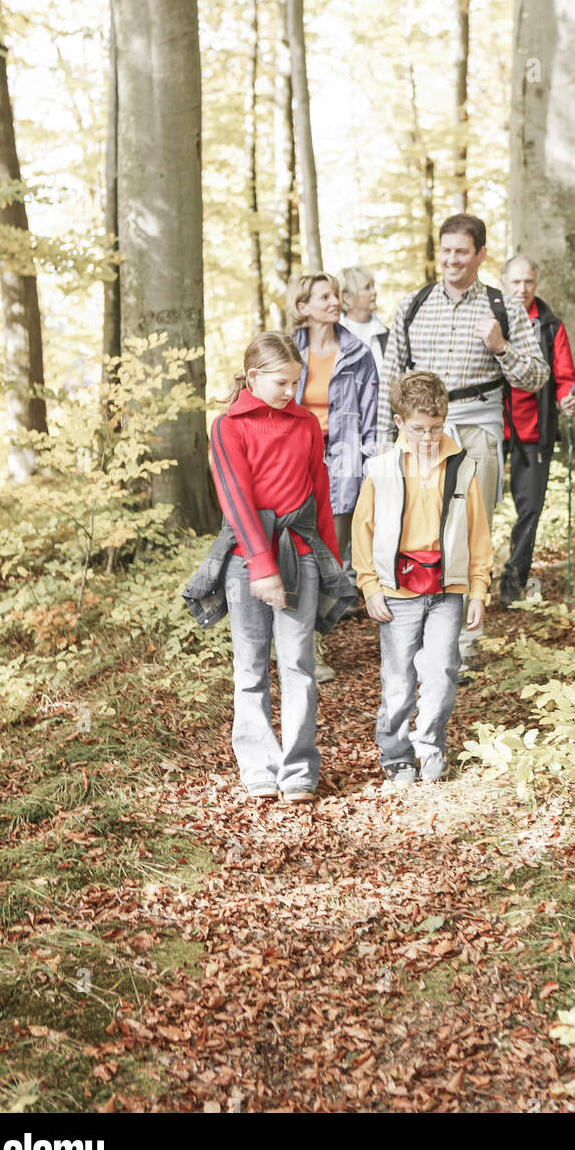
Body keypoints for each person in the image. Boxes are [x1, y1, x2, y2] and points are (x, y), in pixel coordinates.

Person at [182, 332, 354, 803]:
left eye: (296, 384)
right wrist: (261, 567)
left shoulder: (304, 425)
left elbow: (319, 495)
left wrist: (332, 564)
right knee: (251, 666)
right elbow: (236, 500)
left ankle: (298, 768)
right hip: (245, 561)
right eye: (281, 383)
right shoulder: (228, 426)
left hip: (301, 555)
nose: (290, 394)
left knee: (299, 664)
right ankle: (259, 763)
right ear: (253, 377)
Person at [375, 213, 549, 665]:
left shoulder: (501, 307)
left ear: (480, 254)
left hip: (476, 427)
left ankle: (462, 643)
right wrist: (381, 444)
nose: (451, 260)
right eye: (446, 250)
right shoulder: (412, 306)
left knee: (468, 529)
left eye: (461, 251)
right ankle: (416, 633)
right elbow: (390, 377)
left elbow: (536, 378)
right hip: (418, 432)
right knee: (415, 528)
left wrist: (500, 347)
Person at [353, 371, 493, 784]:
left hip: (446, 589)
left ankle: (430, 744)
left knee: (443, 669)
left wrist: (479, 589)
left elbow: (478, 532)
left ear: (444, 420)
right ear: (399, 422)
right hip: (396, 590)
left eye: (435, 428)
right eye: (417, 429)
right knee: (398, 678)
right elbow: (363, 530)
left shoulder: (463, 467)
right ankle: (395, 752)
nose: (427, 437)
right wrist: (369, 586)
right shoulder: (380, 469)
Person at [290, 272, 379, 680]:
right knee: (295, 549)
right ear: (303, 307)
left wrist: (371, 469)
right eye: (324, 296)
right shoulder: (287, 350)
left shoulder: (358, 353)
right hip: (295, 458)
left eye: (336, 295)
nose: (334, 301)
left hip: (343, 461)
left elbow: (372, 421)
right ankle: (299, 643)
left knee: (332, 552)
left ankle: (313, 639)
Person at [499, 255, 575, 605]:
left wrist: (569, 398)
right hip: (492, 428)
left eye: (528, 282)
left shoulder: (550, 326)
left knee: (530, 509)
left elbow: (565, 379)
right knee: (473, 506)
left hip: (535, 432)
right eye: (515, 282)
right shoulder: (491, 320)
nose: (522, 289)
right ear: (504, 282)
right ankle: (469, 581)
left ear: (536, 284)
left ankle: (512, 583)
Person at [337, 265, 389, 375]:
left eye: (373, 286)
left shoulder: (387, 335)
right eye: (367, 288)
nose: (374, 292)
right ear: (347, 298)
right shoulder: (334, 336)